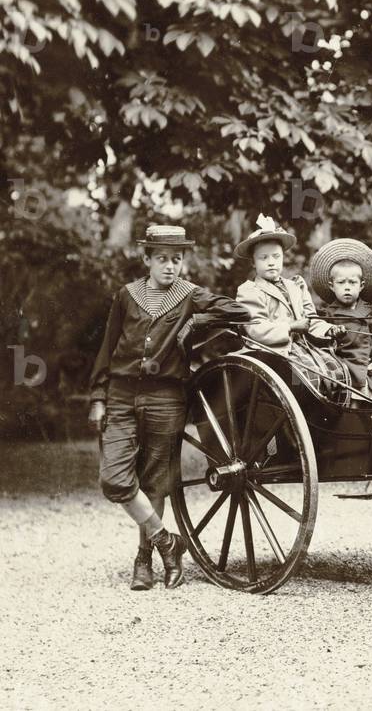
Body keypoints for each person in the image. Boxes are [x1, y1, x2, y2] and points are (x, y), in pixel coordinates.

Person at [87, 224, 250, 591]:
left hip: (166, 397)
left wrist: (197, 319)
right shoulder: (126, 296)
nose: (170, 266)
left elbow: (238, 312)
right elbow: (106, 347)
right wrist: (98, 397)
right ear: (146, 259)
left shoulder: (189, 294)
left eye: (176, 259)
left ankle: (144, 561)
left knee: (156, 480)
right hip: (122, 394)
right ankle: (167, 541)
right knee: (113, 478)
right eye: (162, 259)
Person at [234, 215, 346, 396]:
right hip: (272, 352)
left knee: (338, 372)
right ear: (253, 262)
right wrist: (291, 326)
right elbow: (256, 329)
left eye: (276, 256)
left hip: (302, 348)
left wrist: (329, 329)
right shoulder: (249, 291)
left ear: (283, 258)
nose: (271, 262)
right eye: (263, 258)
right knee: (308, 378)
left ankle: (324, 420)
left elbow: (311, 320)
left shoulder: (295, 286)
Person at [309, 238, 372, 401]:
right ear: (332, 286)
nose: (347, 287)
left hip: (370, 368)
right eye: (341, 282)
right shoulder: (328, 315)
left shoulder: (371, 310)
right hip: (343, 371)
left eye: (352, 282)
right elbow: (322, 345)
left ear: (361, 285)